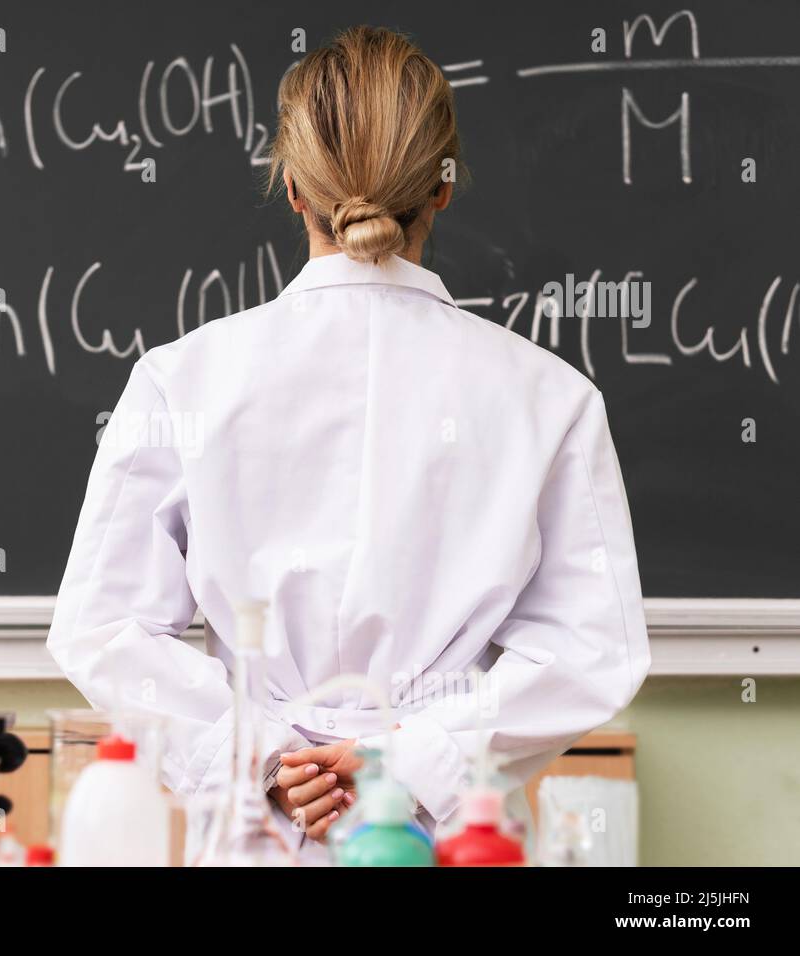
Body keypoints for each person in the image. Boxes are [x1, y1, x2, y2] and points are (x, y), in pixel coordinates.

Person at [47, 25, 650, 858]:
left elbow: (103, 627)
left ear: (290, 186)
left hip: (262, 822)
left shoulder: (180, 378)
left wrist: (258, 752)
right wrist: (410, 762)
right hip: (444, 833)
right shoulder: (551, 396)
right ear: (441, 191)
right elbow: (593, 649)